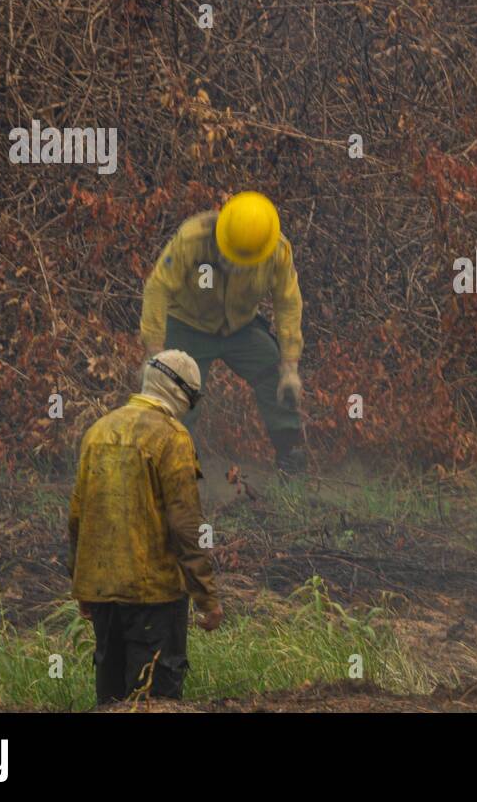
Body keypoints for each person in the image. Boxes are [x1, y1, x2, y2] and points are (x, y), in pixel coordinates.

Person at [69, 349, 222, 703]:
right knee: (155, 700)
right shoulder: (173, 437)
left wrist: (83, 586)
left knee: (111, 699)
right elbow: (186, 526)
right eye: (193, 399)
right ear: (180, 392)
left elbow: (78, 516)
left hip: (104, 594)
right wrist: (206, 598)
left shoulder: (97, 432)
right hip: (155, 598)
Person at [140, 191, 306, 475]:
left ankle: (290, 454)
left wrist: (290, 365)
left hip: (240, 328)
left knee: (275, 374)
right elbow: (158, 287)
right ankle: (176, 467)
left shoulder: (276, 251)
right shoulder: (193, 238)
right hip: (189, 325)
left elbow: (288, 303)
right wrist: (155, 352)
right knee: (178, 391)